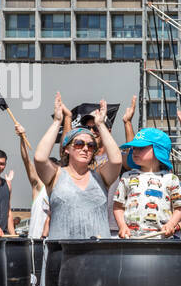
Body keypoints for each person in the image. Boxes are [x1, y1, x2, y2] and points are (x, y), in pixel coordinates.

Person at [33, 94, 123, 241]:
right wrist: (57, 122)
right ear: (67, 149)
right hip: (62, 256)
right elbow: (40, 158)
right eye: (79, 144)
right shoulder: (56, 175)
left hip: (98, 257)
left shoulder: (100, 176)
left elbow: (116, 160)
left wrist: (101, 124)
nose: (85, 148)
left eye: (91, 145)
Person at [113, 128, 181, 238]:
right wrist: (122, 226)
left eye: (141, 148)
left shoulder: (171, 179)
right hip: (131, 239)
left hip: (162, 240)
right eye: (134, 148)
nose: (135, 151)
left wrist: (171, 224)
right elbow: (118, 206)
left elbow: (179, 207)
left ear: (159, 150)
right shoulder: (127, 177)